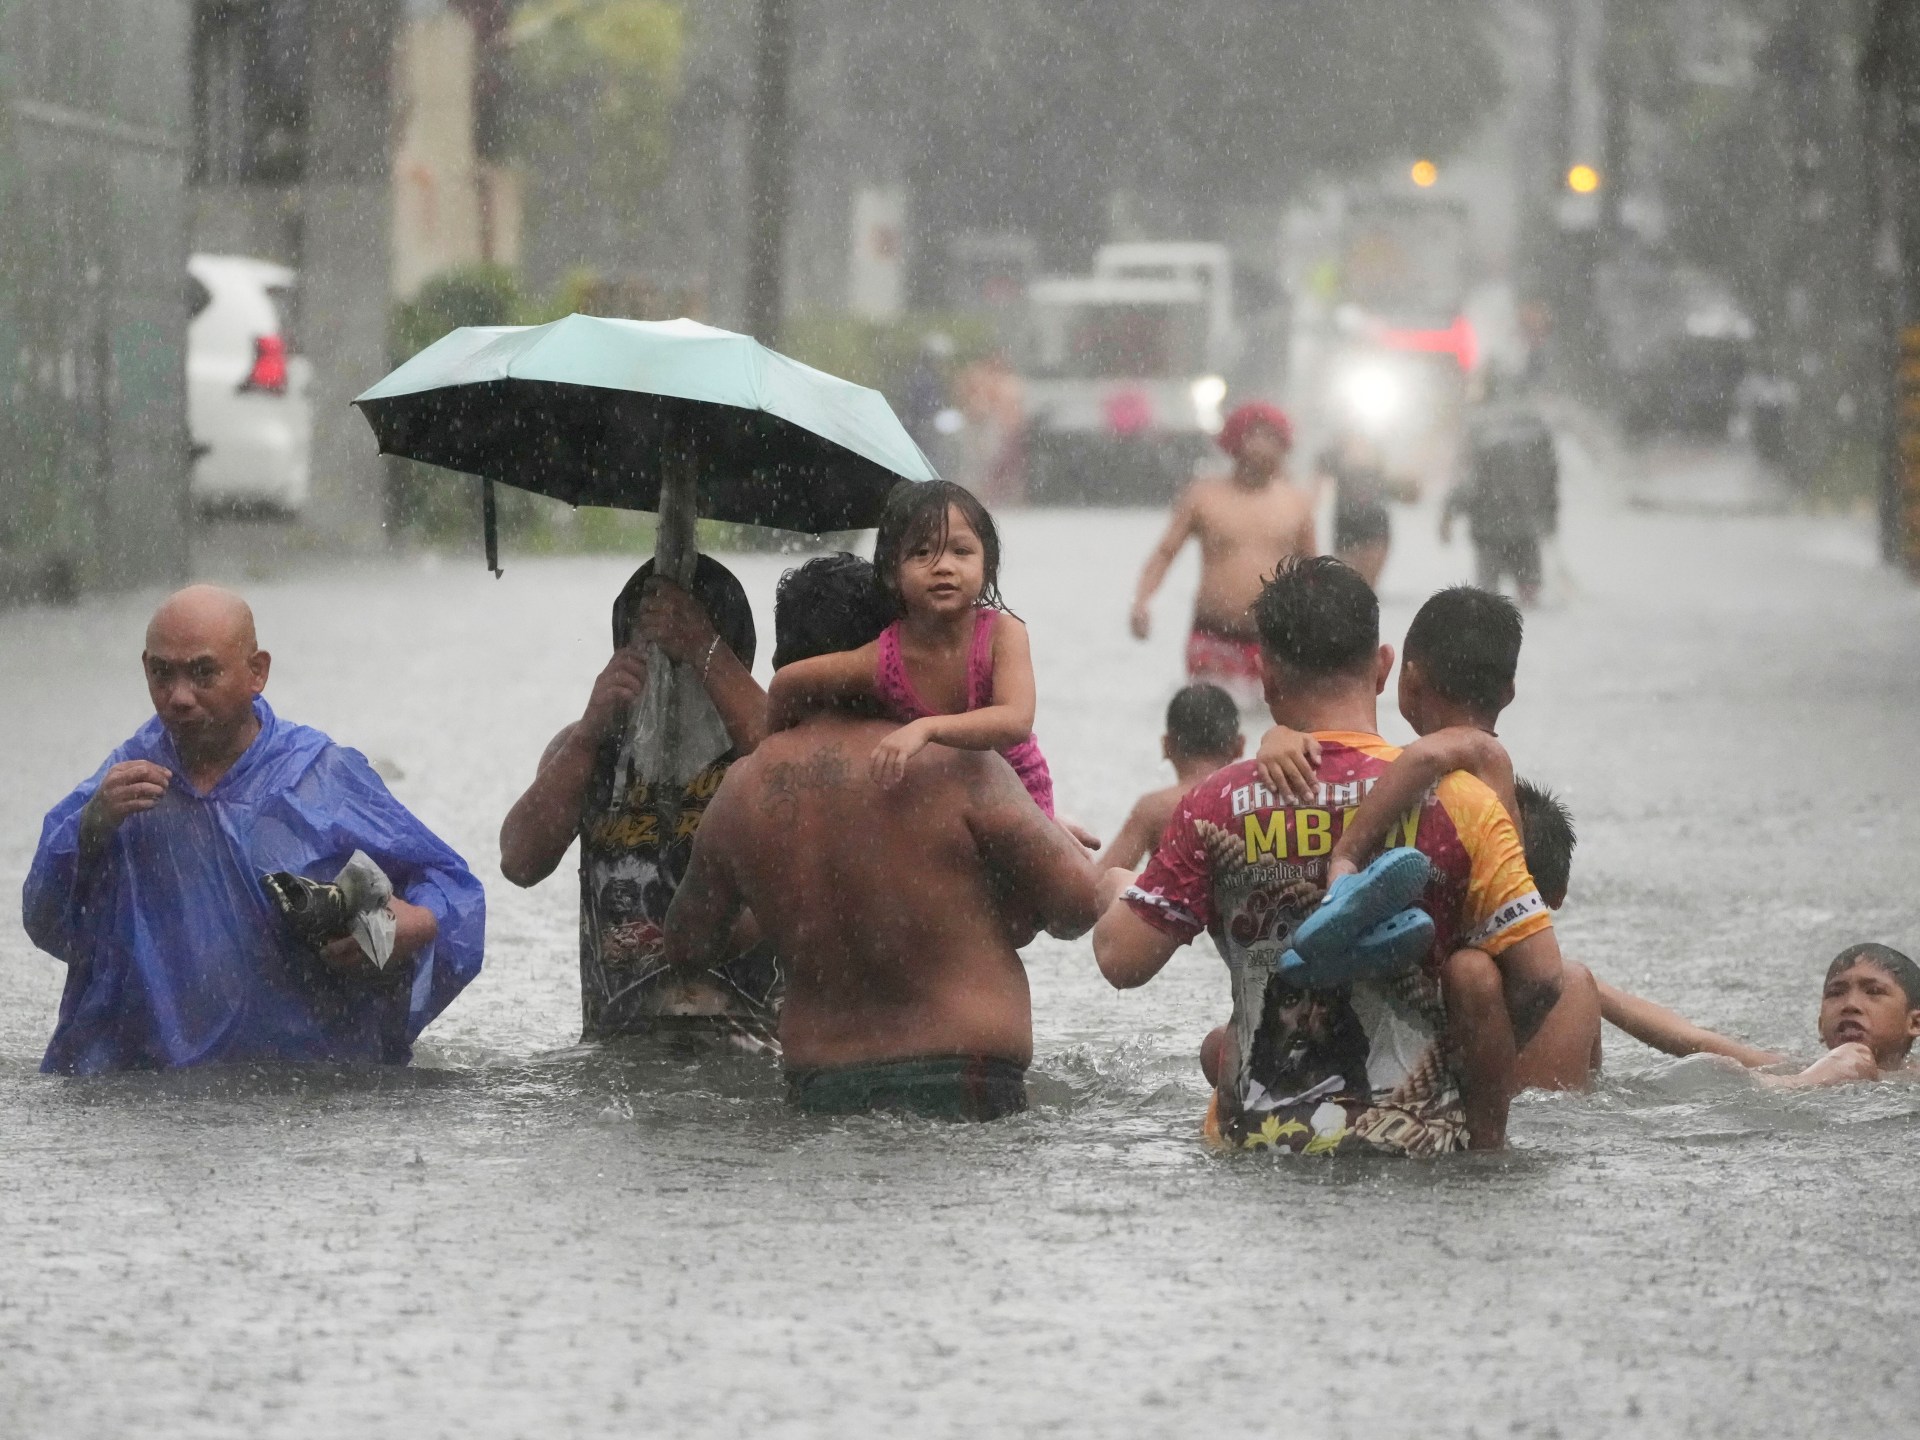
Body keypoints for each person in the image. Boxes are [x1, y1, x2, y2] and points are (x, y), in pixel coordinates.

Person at [1091, 557, 1566, 1154]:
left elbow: (1120, 961)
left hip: (1262, 1149)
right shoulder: (1459, 801)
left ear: (1265, 679)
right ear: (1384, 667)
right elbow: (1542, 978)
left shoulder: (1214, 804)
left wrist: (1115, 887)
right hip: (1419, 1149)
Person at [663, 554, 1100, 1121]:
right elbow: (1078, 905)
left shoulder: (741, 794)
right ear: (893, 651)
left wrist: (787, 904)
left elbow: (688, 945)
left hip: (821, 1093)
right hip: (965, 1081)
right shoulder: (954, 762)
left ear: (785, 659)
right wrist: (1034, 842)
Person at [20, 585, 483, 1074]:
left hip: (306, 1087)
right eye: (162, 673)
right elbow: (46, 919)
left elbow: (454, 888)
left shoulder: (317, 776)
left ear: (256, 672)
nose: (179, 697)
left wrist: (416, 923)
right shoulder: (122, 783)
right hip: (149, 1088)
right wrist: (92, 828)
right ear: (144, 668)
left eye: (203, 672)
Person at [1257, 585, 1601, 1092]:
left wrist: (1280, 739)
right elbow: (1539, 973)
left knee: (1226, 1045)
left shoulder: (1457, 769)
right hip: (1513, 1005)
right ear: (1508, 692)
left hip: (1439, 1005)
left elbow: (1418, 758)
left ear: (1405, 678)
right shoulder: (1580, 989)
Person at [498, 555, 776, 1050]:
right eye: (652, 650)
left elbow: (791, 769)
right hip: (620, 1041)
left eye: (685, 656)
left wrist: (702, 649)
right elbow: (520, 862)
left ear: (739, 658)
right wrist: (587, 731)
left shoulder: (760, 753)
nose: (671, 673)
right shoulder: (590, 751)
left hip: (749, 1037)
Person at [766, 480, 1056, 816]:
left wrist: (926, 729)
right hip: (932, 804)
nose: (943, 566)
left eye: (961, 552)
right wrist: (767, 756)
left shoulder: (1003, 634)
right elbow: (787, 682)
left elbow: (1015, 720)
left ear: (987, 566)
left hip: (1018, 795)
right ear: (891, 573)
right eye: (921, 552)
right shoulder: (883, 658)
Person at [1129, 402, 1317, 708]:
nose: (1262, 447)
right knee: (1211, 719)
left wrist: (1320, 630)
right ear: (1235, 440)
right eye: (1255, 436)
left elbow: (1312, 573)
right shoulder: (1203, 497)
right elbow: (1164, 554)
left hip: (1275, 640)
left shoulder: (1297, 504)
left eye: (1272, 438)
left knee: (1273, 721)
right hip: (1212, 635)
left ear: (1284, 445)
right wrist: (1141, 601)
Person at [1599, 944, 1920, 1088]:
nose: (1850, 1004)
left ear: (1915, 1022)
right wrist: (1587, 986)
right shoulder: (1794, 1064)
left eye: (1873, 991)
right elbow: (1692, 1038)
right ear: (1820, 1026)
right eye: (1835, 993)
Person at [1099, 683, 1244, 871]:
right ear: (1239, 745)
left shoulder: (1155, 808)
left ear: (1166, 745)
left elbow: (1101, 882)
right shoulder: (1249, 799)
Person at [1442, 404, 1558, 606]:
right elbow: (1549, 486)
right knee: (1528, 584)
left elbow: (1467, 487)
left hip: (1491, 531)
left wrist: (1448, 516)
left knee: (1488, 590)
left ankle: (1493, 614)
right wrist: (1549, 520)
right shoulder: (1533, 443)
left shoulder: (1484, 449)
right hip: (1523, 529)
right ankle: (1526, 606)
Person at [1314, 432, 1420, 589]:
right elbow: (1317, 481)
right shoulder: (1337, 452)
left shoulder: (1382, 451)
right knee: (1348, 586)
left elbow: (1409, 493)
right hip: (1347, 527)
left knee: (1365, 587)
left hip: (1375, 526)